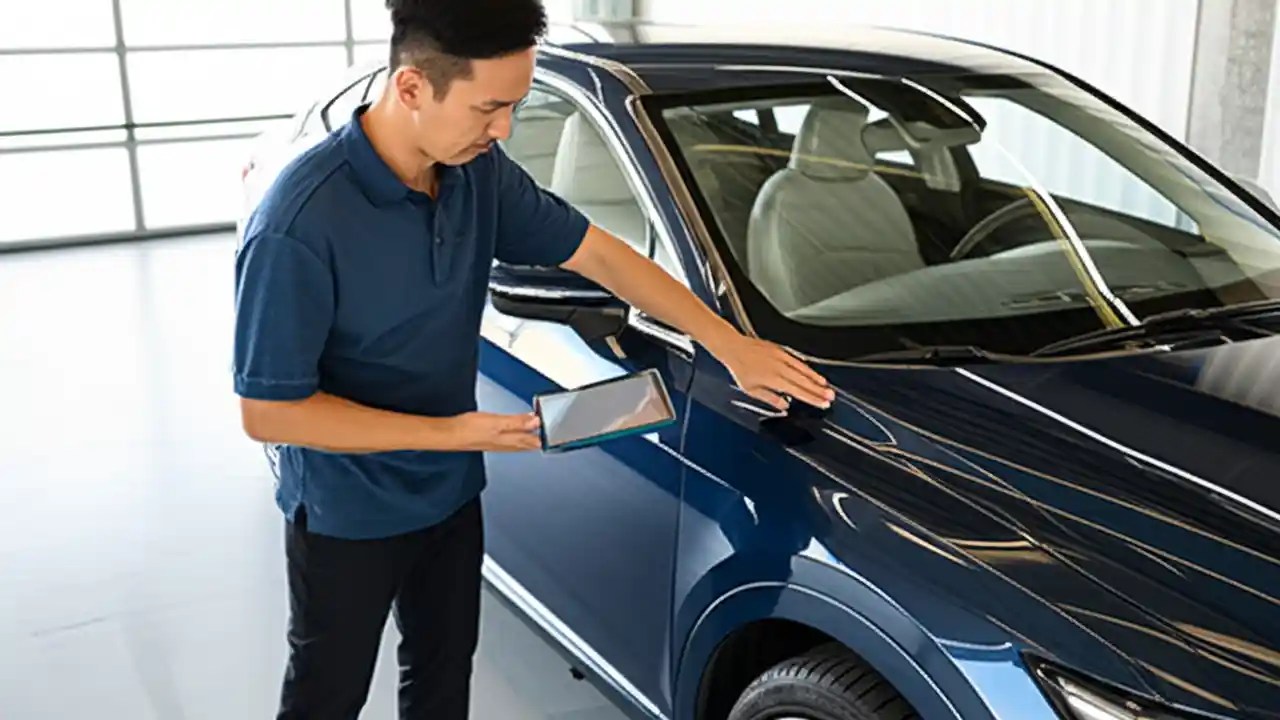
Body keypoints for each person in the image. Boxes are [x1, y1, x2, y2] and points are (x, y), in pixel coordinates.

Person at [231, 0, 835, 717]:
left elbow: (598, 252)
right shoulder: (299, 223)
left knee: (442, 673)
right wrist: (456, 432)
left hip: (450, 498)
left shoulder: (477, 172)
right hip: (346, 512)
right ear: (412, 87)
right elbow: (269, 411)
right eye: (489, 108)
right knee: (326, 695)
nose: (505, 129)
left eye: (515, 106)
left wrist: (726, 342)